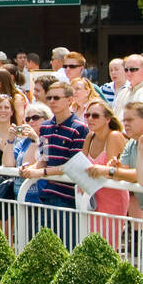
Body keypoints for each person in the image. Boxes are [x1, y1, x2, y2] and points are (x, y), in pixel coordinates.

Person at [21, 80, 88, 249]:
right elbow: (44, 158)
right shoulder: (45, 127)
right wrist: (31, 168)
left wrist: (40, 172)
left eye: (56, 98)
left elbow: (72, 166)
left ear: (69, 100)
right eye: (49, 97)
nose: (51, 101)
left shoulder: (79, 128)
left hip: (68, 198)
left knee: (65, 250)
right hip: (48, 195)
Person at [78, 99, 127, 248]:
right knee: (89, 244)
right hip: (91, 197)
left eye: (95, 116)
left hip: (112, 197)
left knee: (106, 247)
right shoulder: (89, 137)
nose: (90, 119)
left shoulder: (114, 136)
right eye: (88, 115)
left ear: (107, 119)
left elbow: (109, 171)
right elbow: (81, 165)